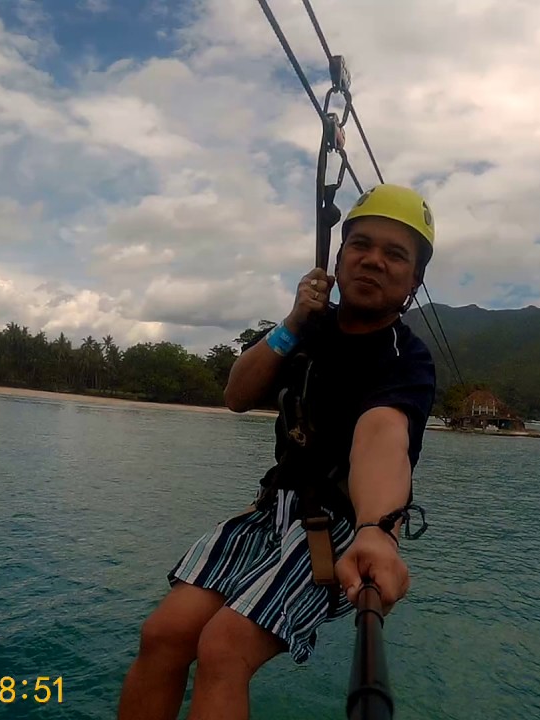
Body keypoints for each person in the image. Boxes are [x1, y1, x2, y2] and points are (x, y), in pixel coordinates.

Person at [116, 183, 439, 720]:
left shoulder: (406, 358)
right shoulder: (306, 331)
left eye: (395, 254)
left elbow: (381, 434)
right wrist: (291, 324)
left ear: (414, 280)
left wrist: (376, 530)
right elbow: (237, 395)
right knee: (164, 633)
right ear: (338, 259)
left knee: (224, 648)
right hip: (273, 510)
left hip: (338, 526)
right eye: (360, 245)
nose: (374, 261)